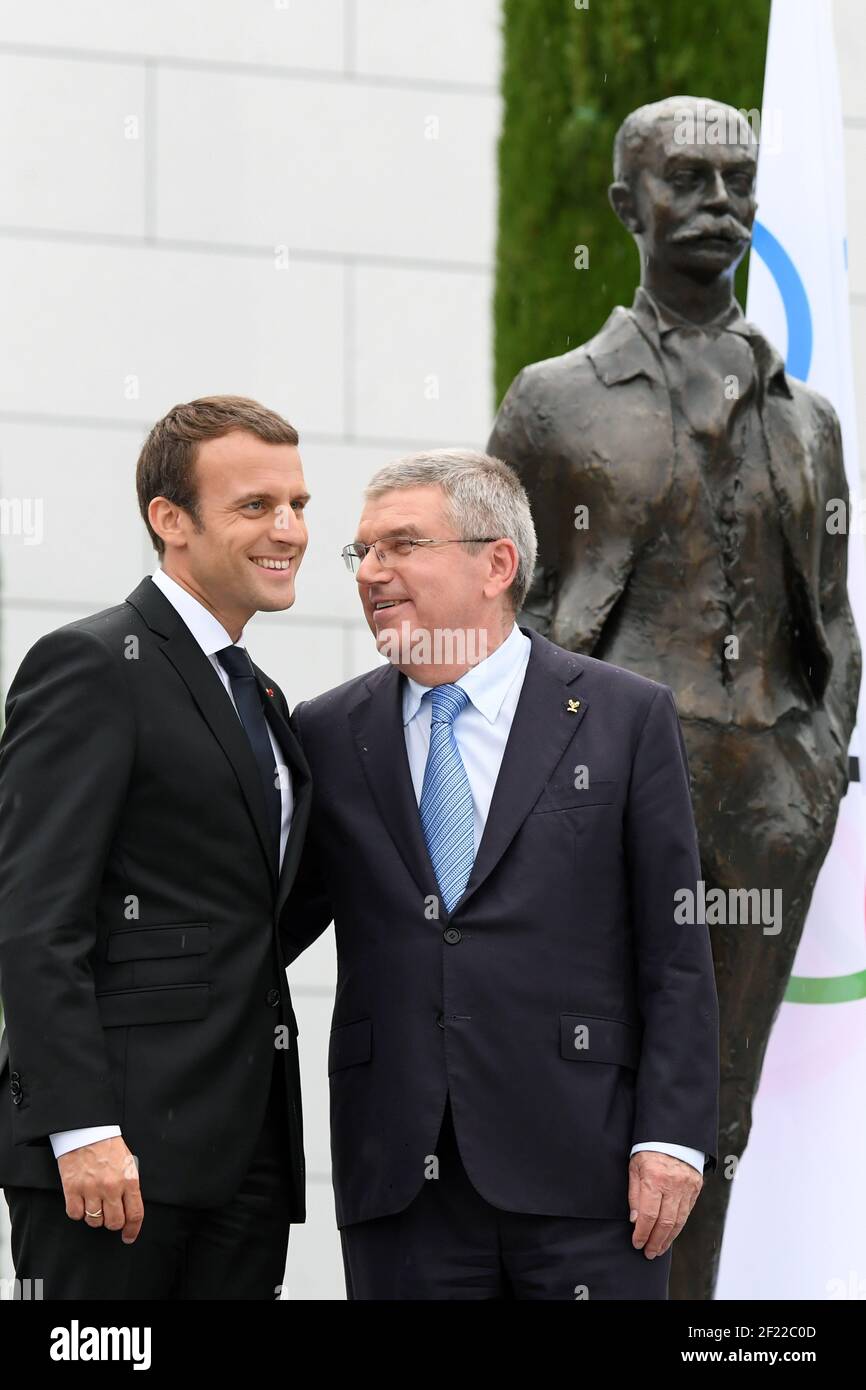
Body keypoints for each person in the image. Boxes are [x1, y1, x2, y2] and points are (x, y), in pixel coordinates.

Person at [487, 96, 861, 1297]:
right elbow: (502, 601)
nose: (714, 206)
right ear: (624, 206)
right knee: (594, 1092)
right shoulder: (554, 399)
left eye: (734, 182)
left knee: (716, 1119)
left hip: (764, 799)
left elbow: (832, 614)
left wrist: (813, 759)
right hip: (599, 796)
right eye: (684, 179)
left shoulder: (808, 421)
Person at [283, 448, 719, 1300]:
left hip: (592, 1180)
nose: (371, 572)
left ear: (497, 564)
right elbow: (265, 929)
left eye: (402, 545)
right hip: (400, 1185)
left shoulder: (624, 717)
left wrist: (671, 1139)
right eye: (362, 552)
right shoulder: (330, 732)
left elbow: (676, 950)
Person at [0, 394, 312, 1299]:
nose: (287, 529)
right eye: (256, 506)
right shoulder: (92, 664)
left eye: (298, 505)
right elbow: (33, 918)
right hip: (112, 1160)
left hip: (247, 1155)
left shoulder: (262, 699)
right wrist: (80, 1129)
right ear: (169, 521)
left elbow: (257, 913)